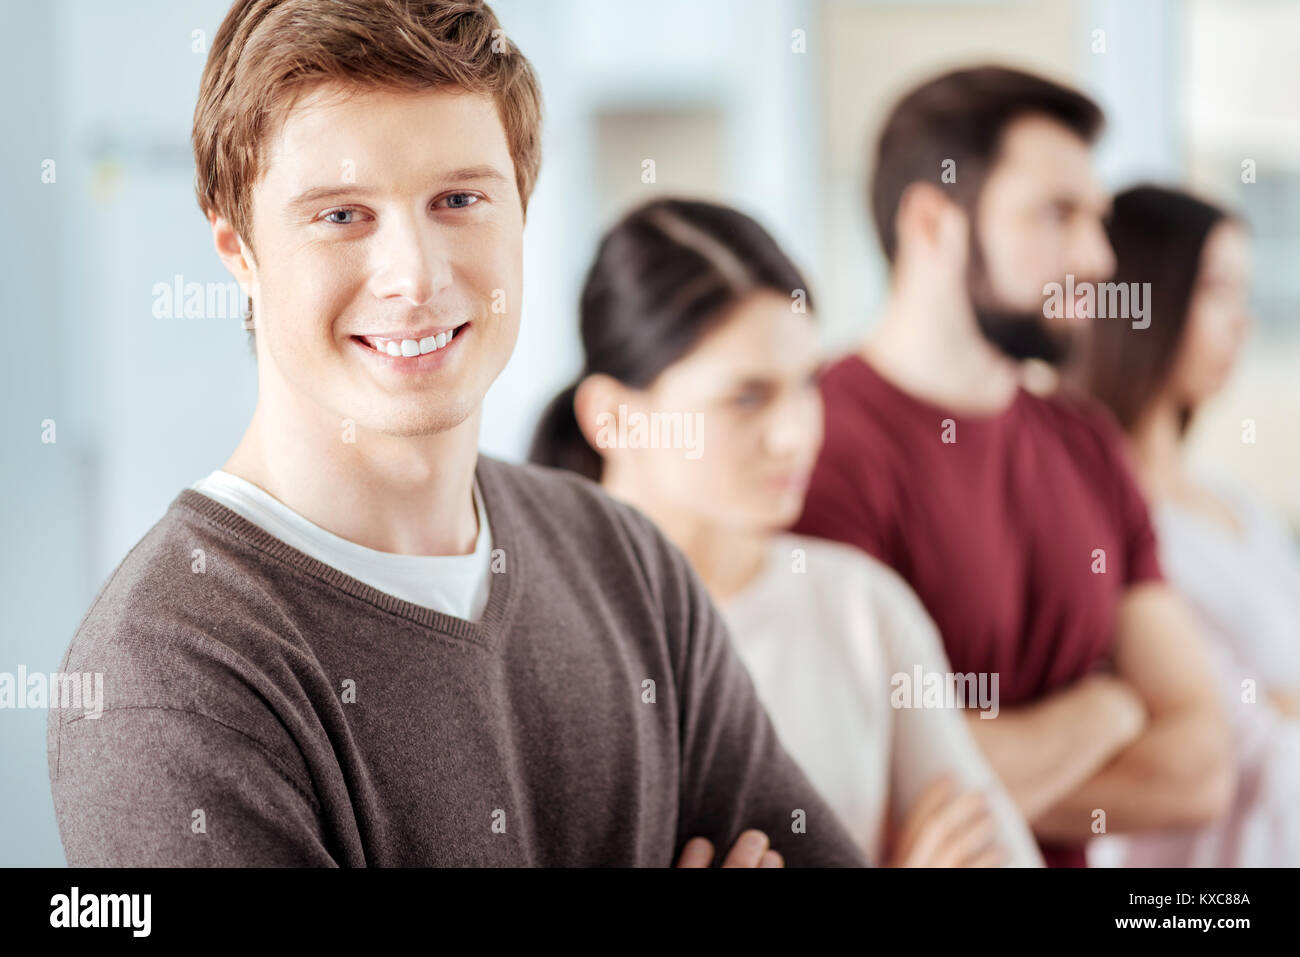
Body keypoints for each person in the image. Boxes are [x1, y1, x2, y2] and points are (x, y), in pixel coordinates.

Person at [46, 0, 868, 869]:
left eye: (459, 198)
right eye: (341, 215)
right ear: (237, 248)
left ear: (523, 209)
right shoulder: (171, 675)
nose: (416, 275)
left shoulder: (628, 563)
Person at [790, 66, 1234, 866]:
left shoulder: (1087, 442)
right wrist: (1108, 707)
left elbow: (1203, 765)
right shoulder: (809, 441)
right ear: (933, 221)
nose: (1098, 258)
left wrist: (961, 769)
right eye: (1056, 214)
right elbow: (844, 786)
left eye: (1096, 219)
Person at [531, 197, 1043, 867]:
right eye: (747, 396)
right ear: (614, 418)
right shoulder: (528, 634)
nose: (797, 434)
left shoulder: (861, 607)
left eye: (807, 383)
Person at [1080, 185, 1300, 866]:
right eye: (1217, 290)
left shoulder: (1237, 502)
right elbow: (1237, 736)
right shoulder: (1105, 518)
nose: (1243, 321)